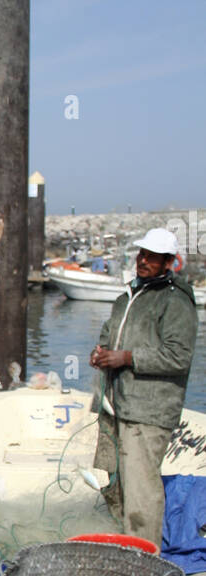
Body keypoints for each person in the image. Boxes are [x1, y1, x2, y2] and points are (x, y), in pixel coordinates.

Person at [90, 228, 198, 548]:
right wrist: (100, 353)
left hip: (148, 412)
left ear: (168, 262)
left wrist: (126, 358)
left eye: (152, 257)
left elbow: (178, 356)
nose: (143, 260)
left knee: (140, 491)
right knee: (114, 484)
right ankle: (123, 548)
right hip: (117, 405)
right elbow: (109, 335)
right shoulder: (127, 298)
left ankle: (144, 558)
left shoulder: (175, 301)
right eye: (142, 254)